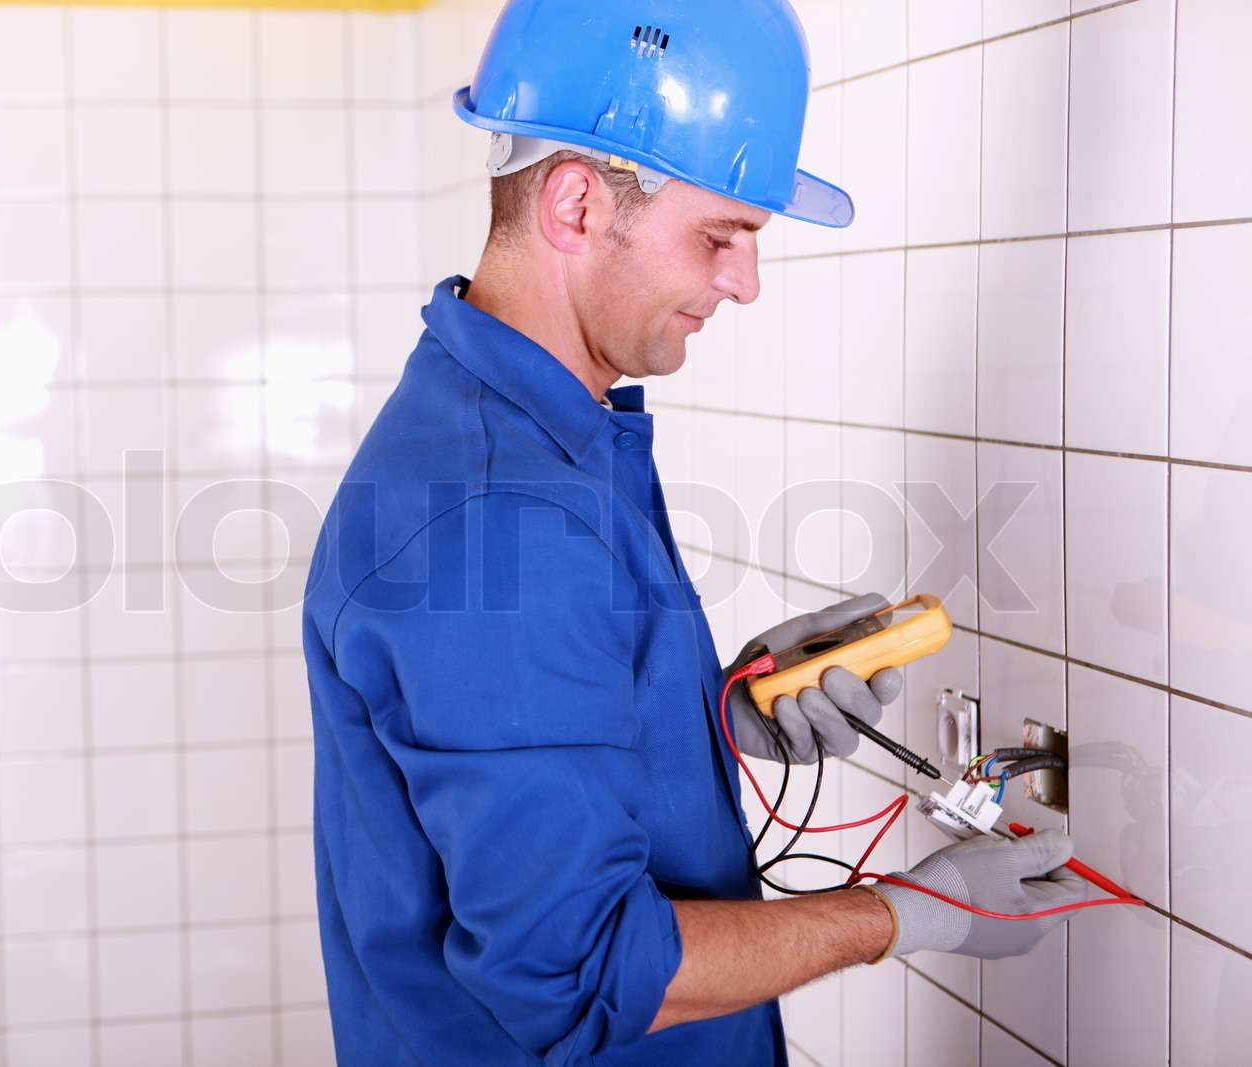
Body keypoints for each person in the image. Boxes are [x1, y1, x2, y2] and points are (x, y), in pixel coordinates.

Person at [300, 2, 1085, 1063]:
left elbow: (520, 747)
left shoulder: (531, 432)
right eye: (720, 236)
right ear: (576, 203)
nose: (743, 282)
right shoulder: (497, 519)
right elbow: (574, 970)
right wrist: (903, 910)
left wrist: (713, 715)